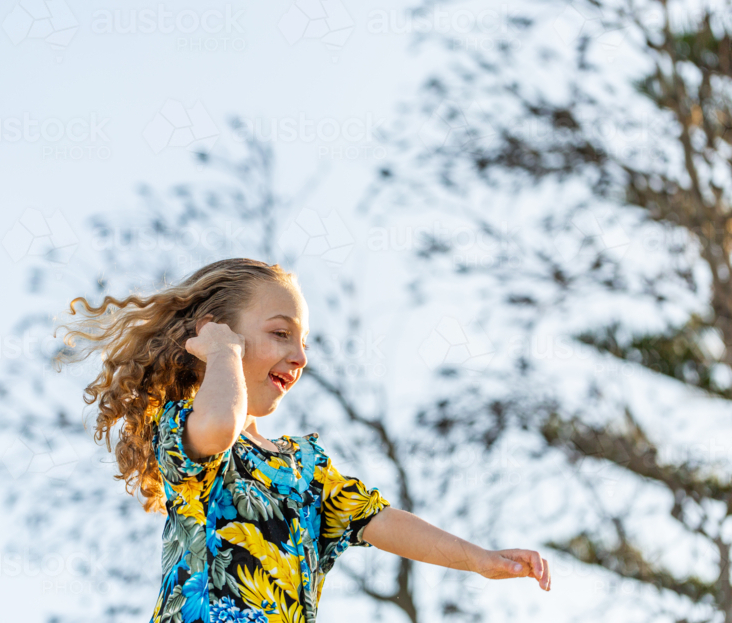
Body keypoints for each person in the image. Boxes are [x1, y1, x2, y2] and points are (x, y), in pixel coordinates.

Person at [56, 257, 550, 623]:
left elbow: (381, 520)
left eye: (304, 342)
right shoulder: (187, 427)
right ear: (217, 333)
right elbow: (220, 427)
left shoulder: (307, 466)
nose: (299, 356)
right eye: (280, 334)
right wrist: (222, 354)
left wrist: (480, 560)